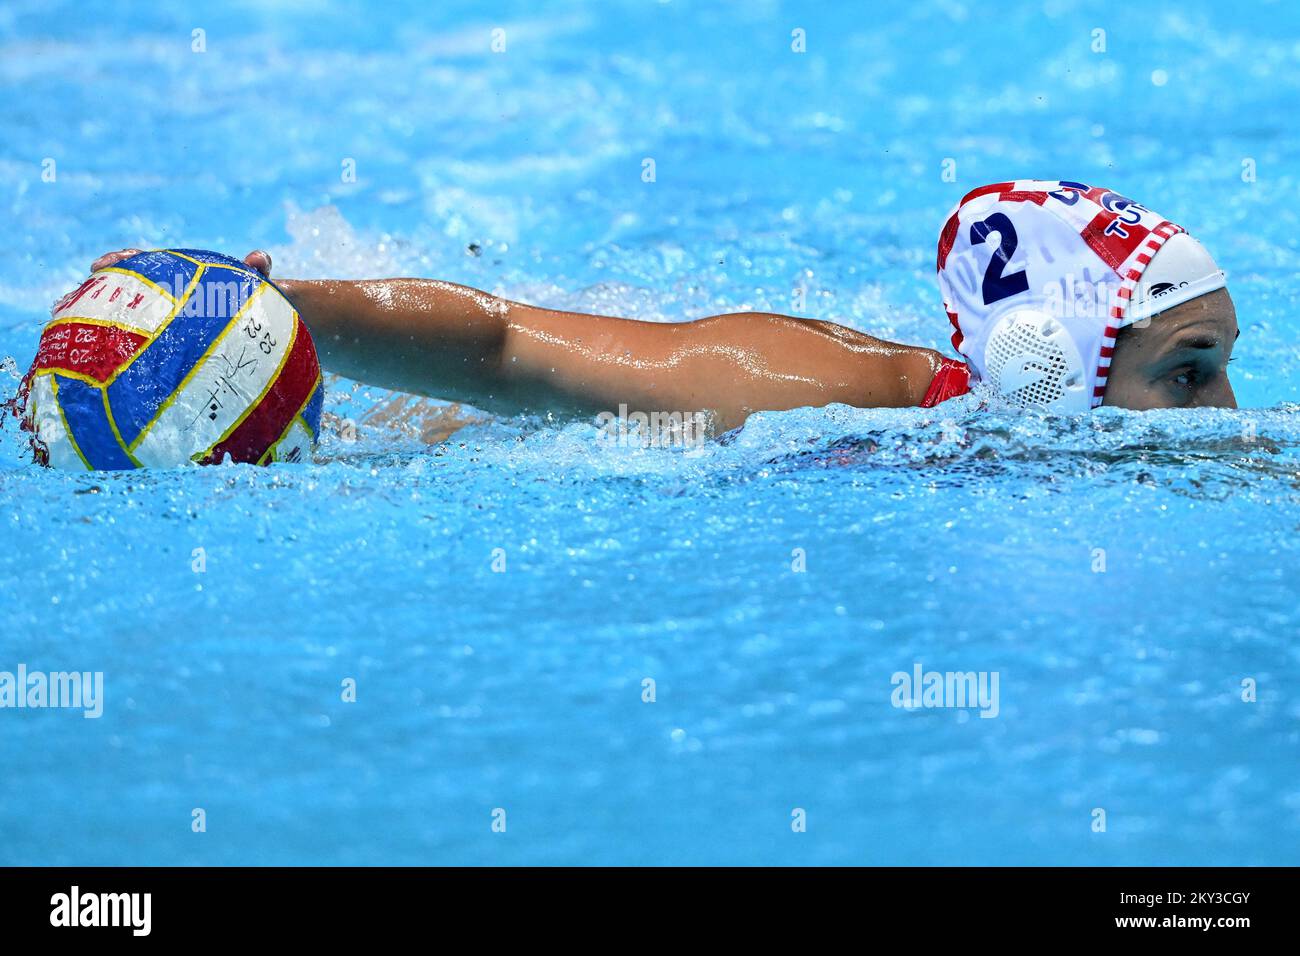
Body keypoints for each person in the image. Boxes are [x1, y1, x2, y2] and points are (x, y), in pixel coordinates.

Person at [88, 179, 1238, 438]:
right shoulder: (810, 389)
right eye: (1188, 372)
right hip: (439, 425)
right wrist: (274, 306)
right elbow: (503, 346)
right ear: (1045, 360)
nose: (1224, 411)